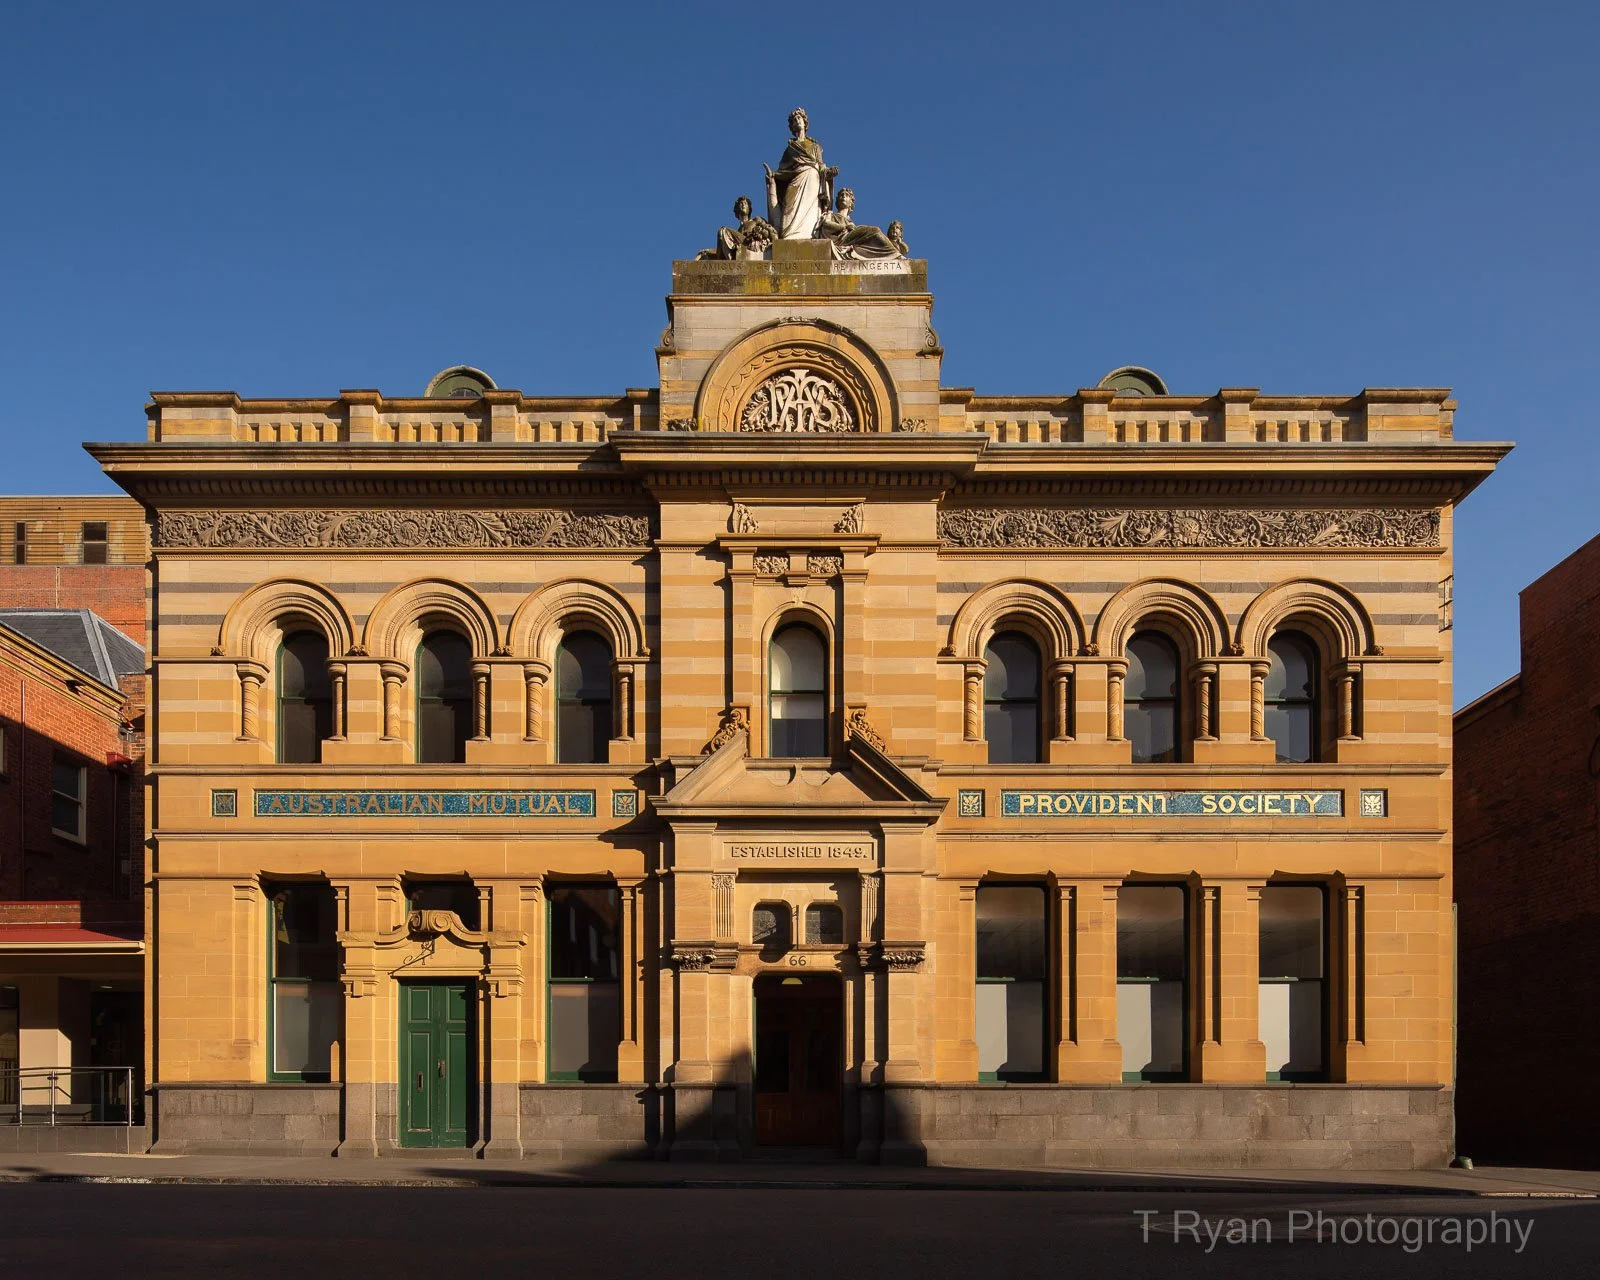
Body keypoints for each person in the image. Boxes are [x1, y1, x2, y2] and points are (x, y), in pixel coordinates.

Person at [763, 108, 837, 240]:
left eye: (799, 119)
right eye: (794, 120)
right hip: (795, 182)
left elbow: (821, 166)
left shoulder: (815, 146)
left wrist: (829, 172)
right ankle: (788, 237)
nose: (797, 121)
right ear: (791, 127)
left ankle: (810, 236)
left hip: (811, 178)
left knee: (811, 212)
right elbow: (783, 171)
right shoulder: (789, 149)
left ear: (805, 123)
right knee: (788, 210)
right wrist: (773, 177)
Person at [815, 188, 904, 260]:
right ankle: (895, 255)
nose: (843, 197)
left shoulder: (850, 221)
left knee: (872, 238)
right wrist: (844, 227)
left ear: (851, 203)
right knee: (875, 231)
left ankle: (892, 253)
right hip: (841, 240)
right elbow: (826, 224)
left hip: (851, 239)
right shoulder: (831, 214)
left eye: (846, 195)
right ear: (837, 201)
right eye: (841, 195)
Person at [696, 195, 776, 261]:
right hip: (742, 246)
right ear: (736, 209)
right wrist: (708, 251)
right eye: (741, 204)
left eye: (745, 204)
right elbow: (727, 247)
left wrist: (762, 234)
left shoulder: (756, 219)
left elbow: (771, 231)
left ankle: (731, 262)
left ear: (749, 208)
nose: (743, 205)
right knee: (705, 254)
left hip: (750, 244)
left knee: (723, 230)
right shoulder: (738, 230)